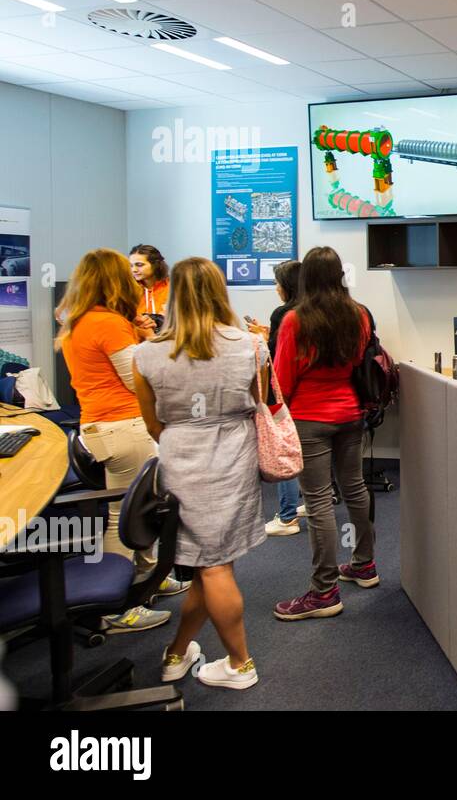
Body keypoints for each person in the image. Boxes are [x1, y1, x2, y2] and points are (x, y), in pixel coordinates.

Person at [134, 258, 265, 690]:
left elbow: (153, 423)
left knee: (209, 564)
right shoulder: (249, 345)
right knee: (214, 565)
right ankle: (238, 663)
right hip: (232, 458)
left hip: (181, 458)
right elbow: (257, 401)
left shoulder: (147, 353)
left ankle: (179, 653)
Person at [55, 249, 184, 634]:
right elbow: (136, 380)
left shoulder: (79, 320)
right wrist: (148, 340)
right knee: (124, 518)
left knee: (140, 510)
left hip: (100, 425)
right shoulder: (109, 324)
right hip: (123, 427)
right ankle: (117, 604)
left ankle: (148, 579)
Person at [272, 246, 378, 621]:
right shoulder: (359, 314)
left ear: (306, 279)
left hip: (309, 419)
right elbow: (355, 362)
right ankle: (364, 565)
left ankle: (324, 592)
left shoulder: (295, 320)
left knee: (318, 503)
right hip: (350, 414)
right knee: (355, 490)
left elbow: (283, 378)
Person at [247, 260, 305, 536]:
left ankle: (287, 516)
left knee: (284, 451)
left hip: (288, 391)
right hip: (318, 398)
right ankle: (308, 504)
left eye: (277, 282)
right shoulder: (315, 311)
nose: (275, 287)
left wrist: (262, 339)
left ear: (287, 286)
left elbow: (275, 355)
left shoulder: (283, 313)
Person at [129, 244, 169, 336]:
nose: (134, 270)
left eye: (139, 265)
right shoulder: (128, 291)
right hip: (136, 343)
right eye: (131, 266)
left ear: (156, 264)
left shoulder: (172, 288)